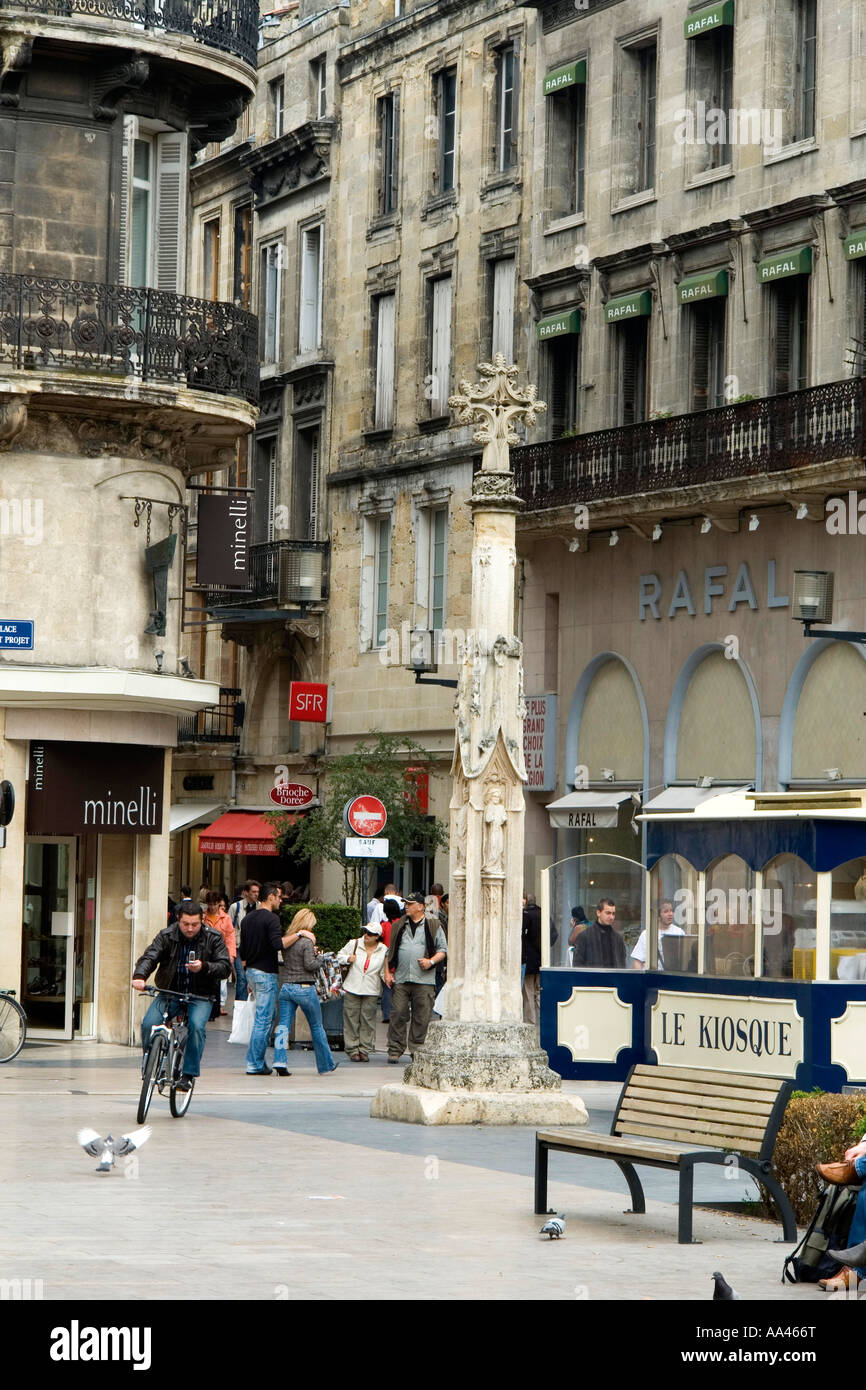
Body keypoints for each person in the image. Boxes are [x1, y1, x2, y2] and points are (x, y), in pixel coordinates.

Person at [132, 899, 231, 1089]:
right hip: (170, 991)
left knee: (196, 1026)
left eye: (195, 924)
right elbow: (150, 956)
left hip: (200, 995)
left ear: (202, 921)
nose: (190, 928)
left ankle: (188, 1074)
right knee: (148, 1023)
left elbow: (225, 967)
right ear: (178, 920)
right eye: (186, 924)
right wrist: (139, 976)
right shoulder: (167, 935)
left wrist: (204, 966)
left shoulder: (214, 937)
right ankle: (151, 1063)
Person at [240, 883, 315, 1076]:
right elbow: (277, 944)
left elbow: (244, 951)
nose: (281, 900)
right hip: (266, 972)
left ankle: (257, 1061)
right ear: (271, 897)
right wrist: (299, 934)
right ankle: (254, 1063)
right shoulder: (271, 919)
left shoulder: (248, 919)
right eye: (279, 897)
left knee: (266, 1017)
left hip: (252, 972)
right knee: (264, 1019)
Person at [273, 908, 339, 1076]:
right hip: (304, 988)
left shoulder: (289, 941)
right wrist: (321, 957)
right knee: (317, 1027)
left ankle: (279, 1061)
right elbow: (310, 965)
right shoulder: (307, 942)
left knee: (283, 1027)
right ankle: (326, 1064)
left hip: (286, 987)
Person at [383, 891, 447, 1063]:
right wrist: (388, 972)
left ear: (420, 907)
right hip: (402, 977)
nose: (406, 906)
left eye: (410, 904)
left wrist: (431, 961)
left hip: (424, 978)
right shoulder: (399, 925)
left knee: (422, 1015)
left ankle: (417, 1048)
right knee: (397, 1013)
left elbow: (443, 949)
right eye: (406, 903)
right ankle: (395, 1049)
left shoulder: (433, 924)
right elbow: (389, 952)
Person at [337, 922, 388, 1061]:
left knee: (368, 1020)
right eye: (365, 931)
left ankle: (365, 1049)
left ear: (377, 936)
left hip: (371, 989)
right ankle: (352, 1049)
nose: (366, 935)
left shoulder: (384, 950)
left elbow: (384, 971)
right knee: (351, 1019)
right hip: (352, 986)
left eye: (370, 933)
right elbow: (338, 956)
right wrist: (348, 958)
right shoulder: (354, 944)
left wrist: (389, 979)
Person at [203, 890, 235, 1016]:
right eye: (209, 904)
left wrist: (231, 955)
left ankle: (218, 1006)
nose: (212, 906)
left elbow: (230, 937)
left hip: (220, 952)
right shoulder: (203, 917)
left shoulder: (225, 918)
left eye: (214, 904)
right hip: (206, 952)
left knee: (220, 981)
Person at [228, 880, 260, 1002]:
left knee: (251, 977)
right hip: (238, 946)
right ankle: (240, 1005)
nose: (256, 894)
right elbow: (229, 928)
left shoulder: (260, 907)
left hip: (254, 948)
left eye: (257, 892)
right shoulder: (235, 907)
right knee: (242, 977)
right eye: (253, 892)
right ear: (246, 893)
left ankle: (248, 1005)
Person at [572, 898, 626, 968]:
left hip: (613, 978)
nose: (611, 917)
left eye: (613, 914)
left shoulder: (618, 939)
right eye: (608, 913)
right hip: (592, 978)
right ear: (598, 913)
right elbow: (577, 965)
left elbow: (622, 964)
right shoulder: (584, 936)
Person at [631, 899, 685, 970]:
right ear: (658, 915)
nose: (670, 914)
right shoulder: (647, 934)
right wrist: (638, 980)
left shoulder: (679, 932)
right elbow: (638, 961)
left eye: (671, 910)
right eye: (666, 911)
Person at [380, 897, 402, 1022]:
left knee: (387, 990)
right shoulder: (403, 923)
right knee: (400, 990)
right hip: (400, 959)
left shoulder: (384, 926)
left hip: (387, 960)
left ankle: (387, 1015)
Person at [521, 892, 542, 1024]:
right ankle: (544, 1021)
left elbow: (522, 935)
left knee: (528, 993)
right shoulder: (543, 914)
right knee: (539, 993)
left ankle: (530, 1022)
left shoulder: (526, 916)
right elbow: (554, 934)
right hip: (541, 959)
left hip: (528, 958)